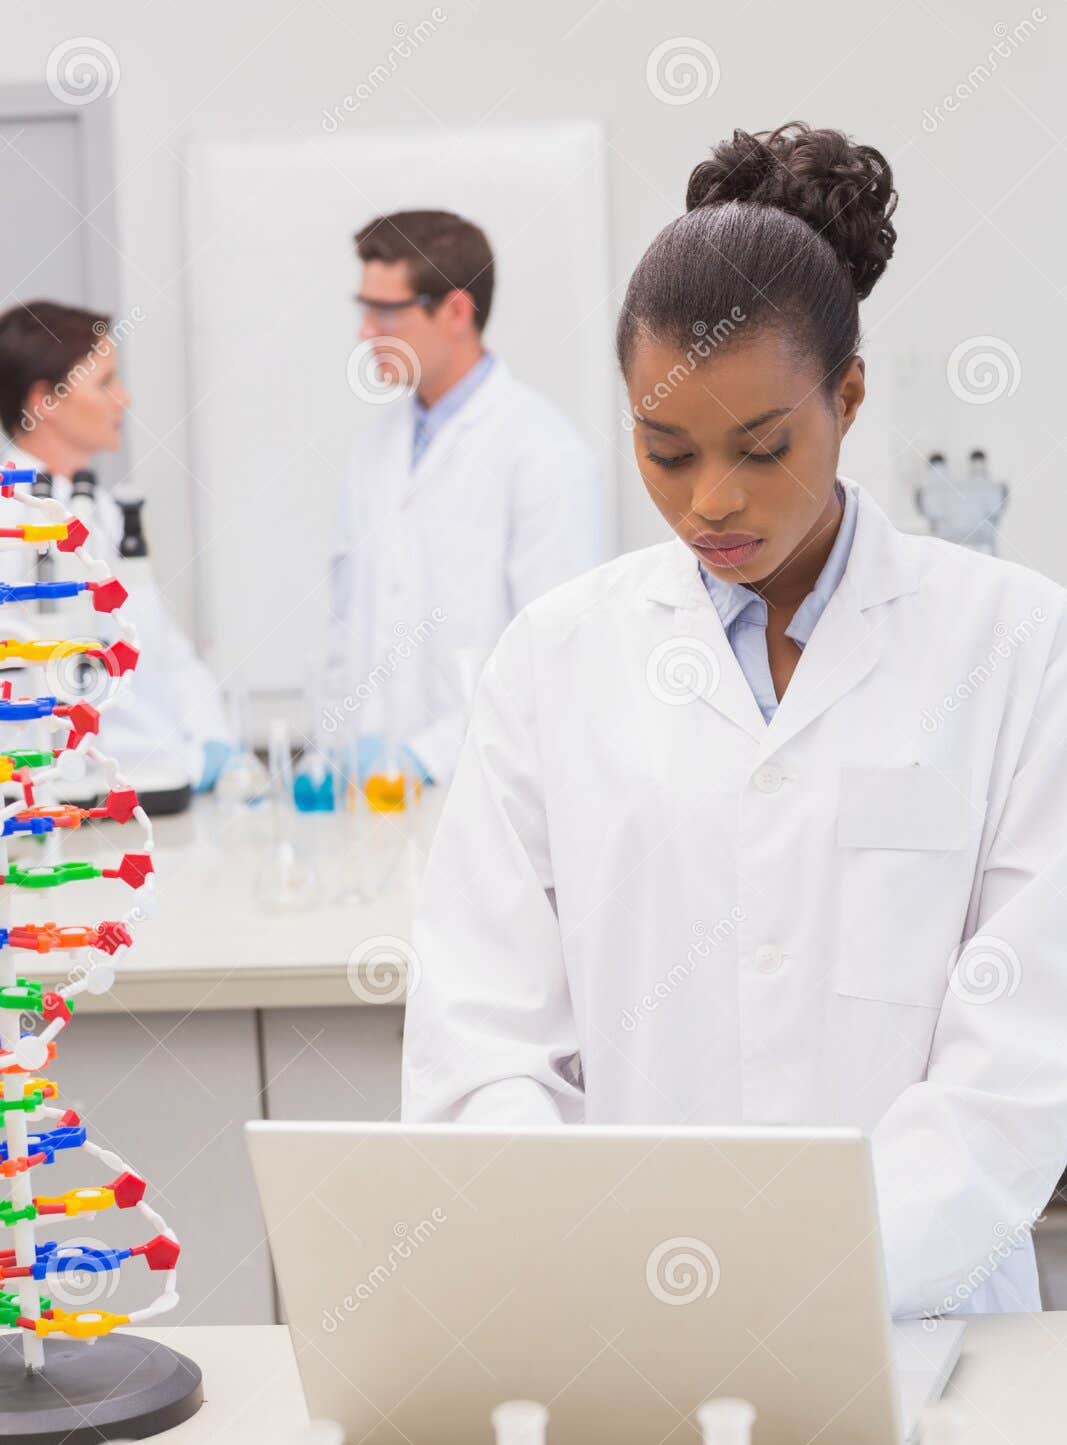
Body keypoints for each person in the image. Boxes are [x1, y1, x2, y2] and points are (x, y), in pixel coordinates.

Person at [401, 124, 1067, 1322]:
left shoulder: (1017, 647)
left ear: (847, 395)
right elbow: (481, 1044)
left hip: (922, 1323)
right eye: (665, 453)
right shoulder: (554, 659)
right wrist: (604, 1266)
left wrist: (794, 1281)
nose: (711, 499)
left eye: (763, 448)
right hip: (624, 1325)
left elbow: (1017, 1067)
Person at [322, 209, 603, 786]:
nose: (364, 333)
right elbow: (345, 624)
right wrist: (336, 741)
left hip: (482, 787)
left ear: (454, 311)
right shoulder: (375, 451)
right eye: (364, 309)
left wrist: (426, 760)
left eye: (385, 313)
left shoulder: (543, 452)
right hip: (368, 796)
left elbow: (552, 659)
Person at [0, 301, 227, 789]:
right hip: (77, 802)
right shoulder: (12, 520)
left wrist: (211, 741)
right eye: (105, 383)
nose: (123, 399)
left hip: (155, 779)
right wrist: (172, 761)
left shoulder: (98, 507)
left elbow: (158, 642)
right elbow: (47, 689)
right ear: (46, 401)